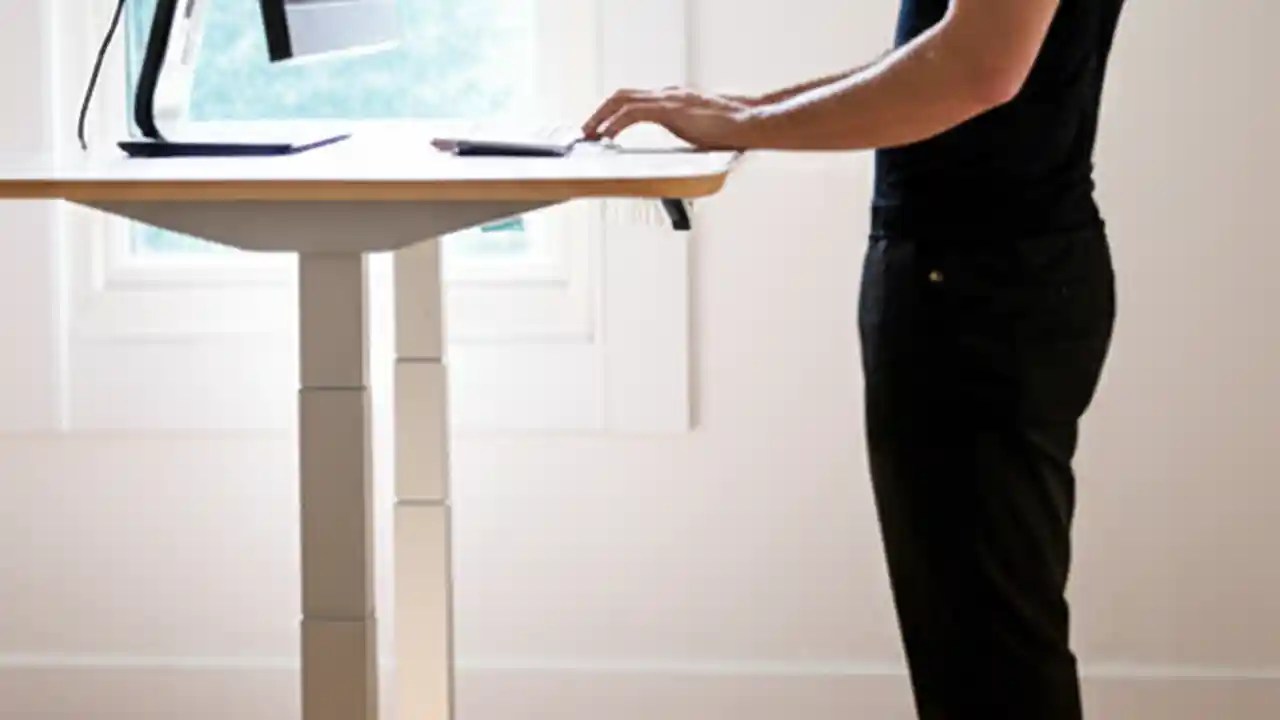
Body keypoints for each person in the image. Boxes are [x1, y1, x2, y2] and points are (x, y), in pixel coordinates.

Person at [582, 1, 1127, 718]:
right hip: (987, 274)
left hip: (977, 283)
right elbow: (941, 50)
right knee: (983, 644)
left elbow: (978, 70)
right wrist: (746, 108)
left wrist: (745, 125)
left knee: (989, 657)